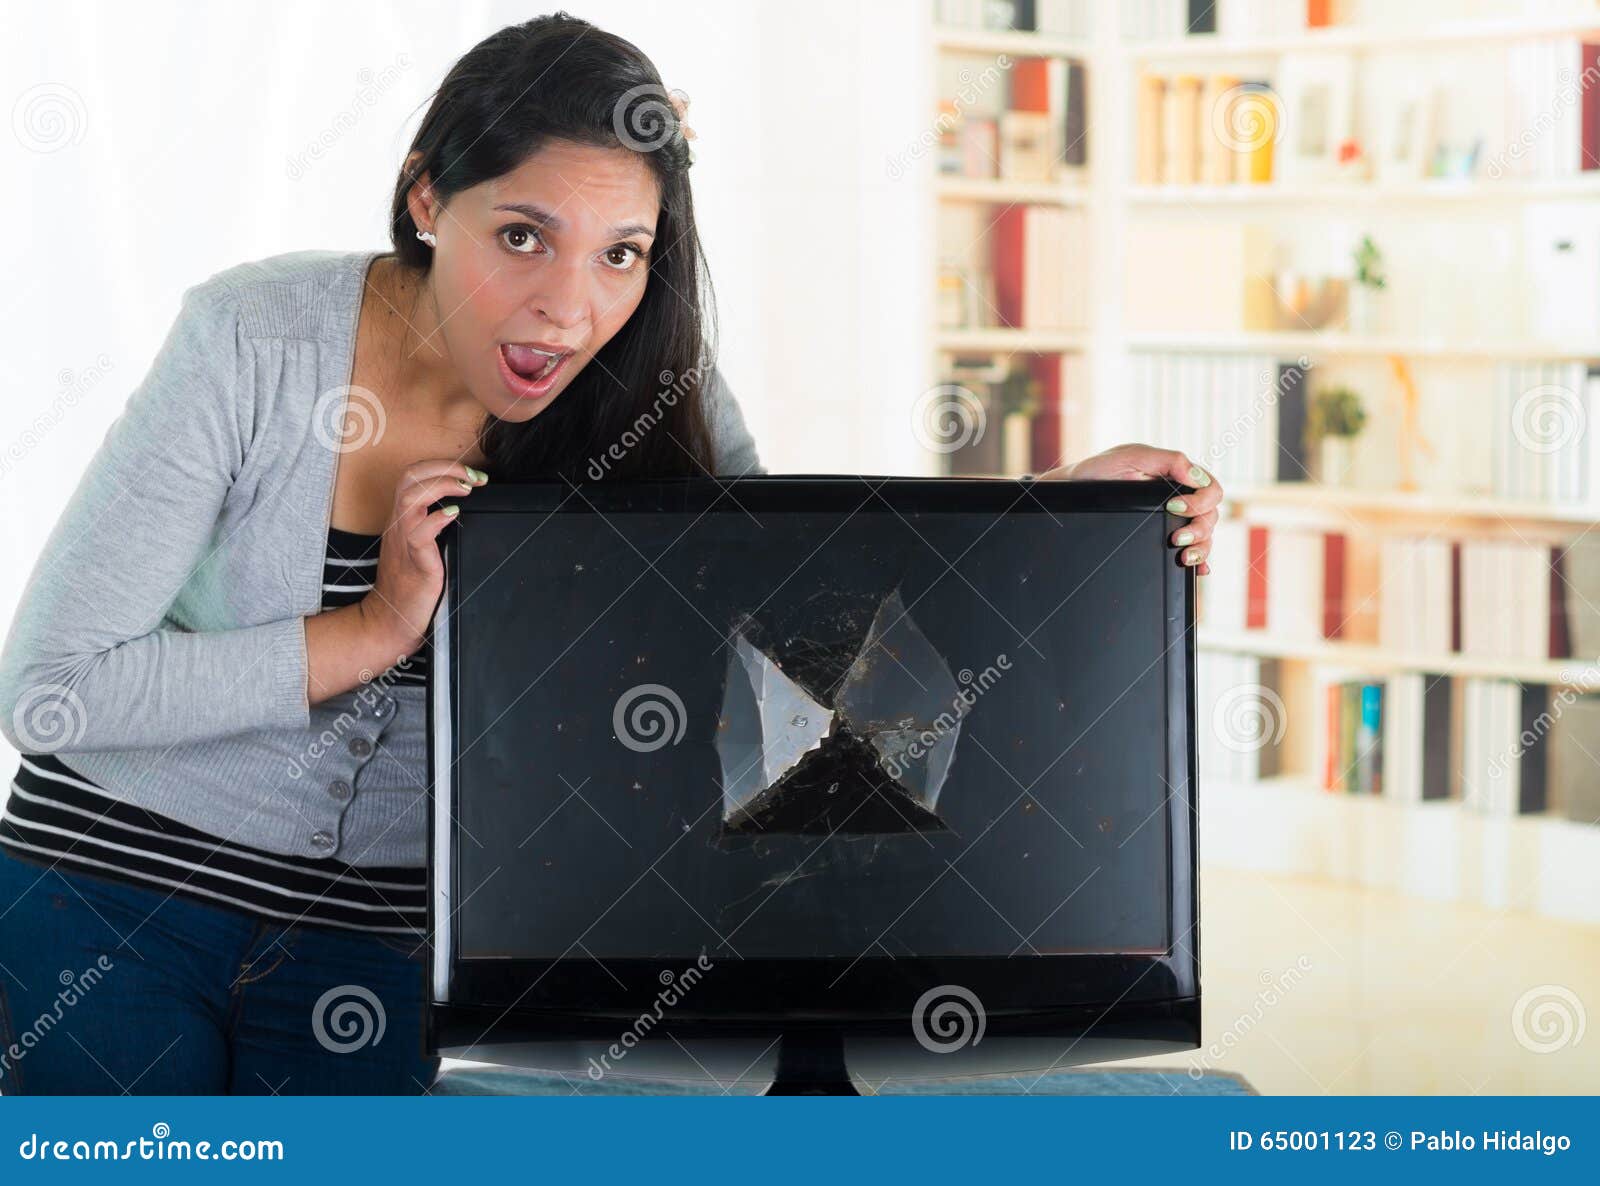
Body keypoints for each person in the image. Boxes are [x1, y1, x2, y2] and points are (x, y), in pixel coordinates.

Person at [0, 11, 1221, 1096]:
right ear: (425, 199)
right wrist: (368, 632)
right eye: (522, 236)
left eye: (620, 252)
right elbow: (50, 689)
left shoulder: (652, 383)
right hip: (107, 894)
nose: (568, 307)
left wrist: (1066, 524)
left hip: (377, 946)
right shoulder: (250, 340)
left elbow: (804, 627)